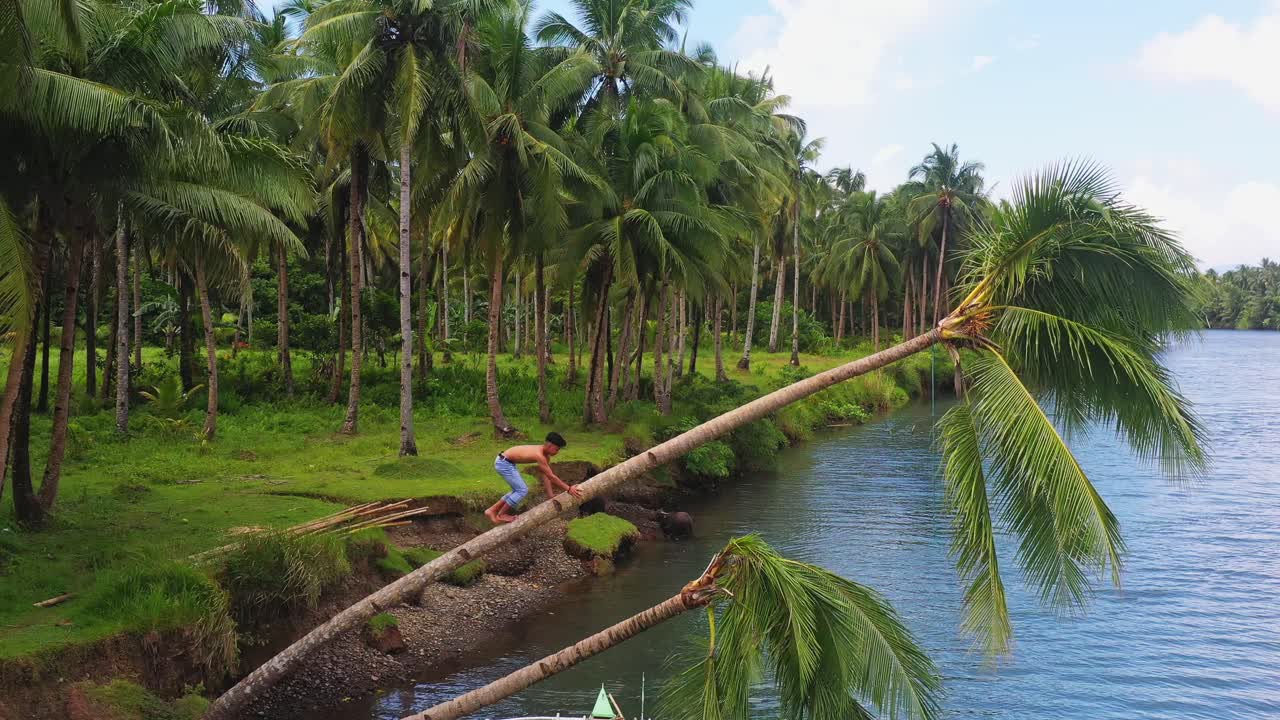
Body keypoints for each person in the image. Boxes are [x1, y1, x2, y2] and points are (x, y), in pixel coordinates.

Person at [484, 432, 582, 524]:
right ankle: (501, 514)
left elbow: (546, 475)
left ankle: (492, 510)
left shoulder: (545, 456)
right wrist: (569, 489)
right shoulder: (539, 455)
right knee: (522, 490)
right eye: (556, 449)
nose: (557, 452)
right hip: (504, 463)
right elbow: (552, 477)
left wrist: (550, 494)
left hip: (506, 462)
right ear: (549, 445)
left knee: (517, 490)